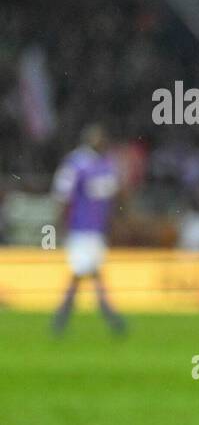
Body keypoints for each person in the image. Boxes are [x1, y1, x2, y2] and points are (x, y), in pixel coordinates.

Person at [50, 124, 125, 336]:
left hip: (97, 229)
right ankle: (107, 315)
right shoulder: (76, 163)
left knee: (89, 271)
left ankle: (64, 317)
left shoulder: (105, 164)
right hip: (81, 228)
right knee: (83, 271)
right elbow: (62, 196)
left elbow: (112, 198)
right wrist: (61, 225)